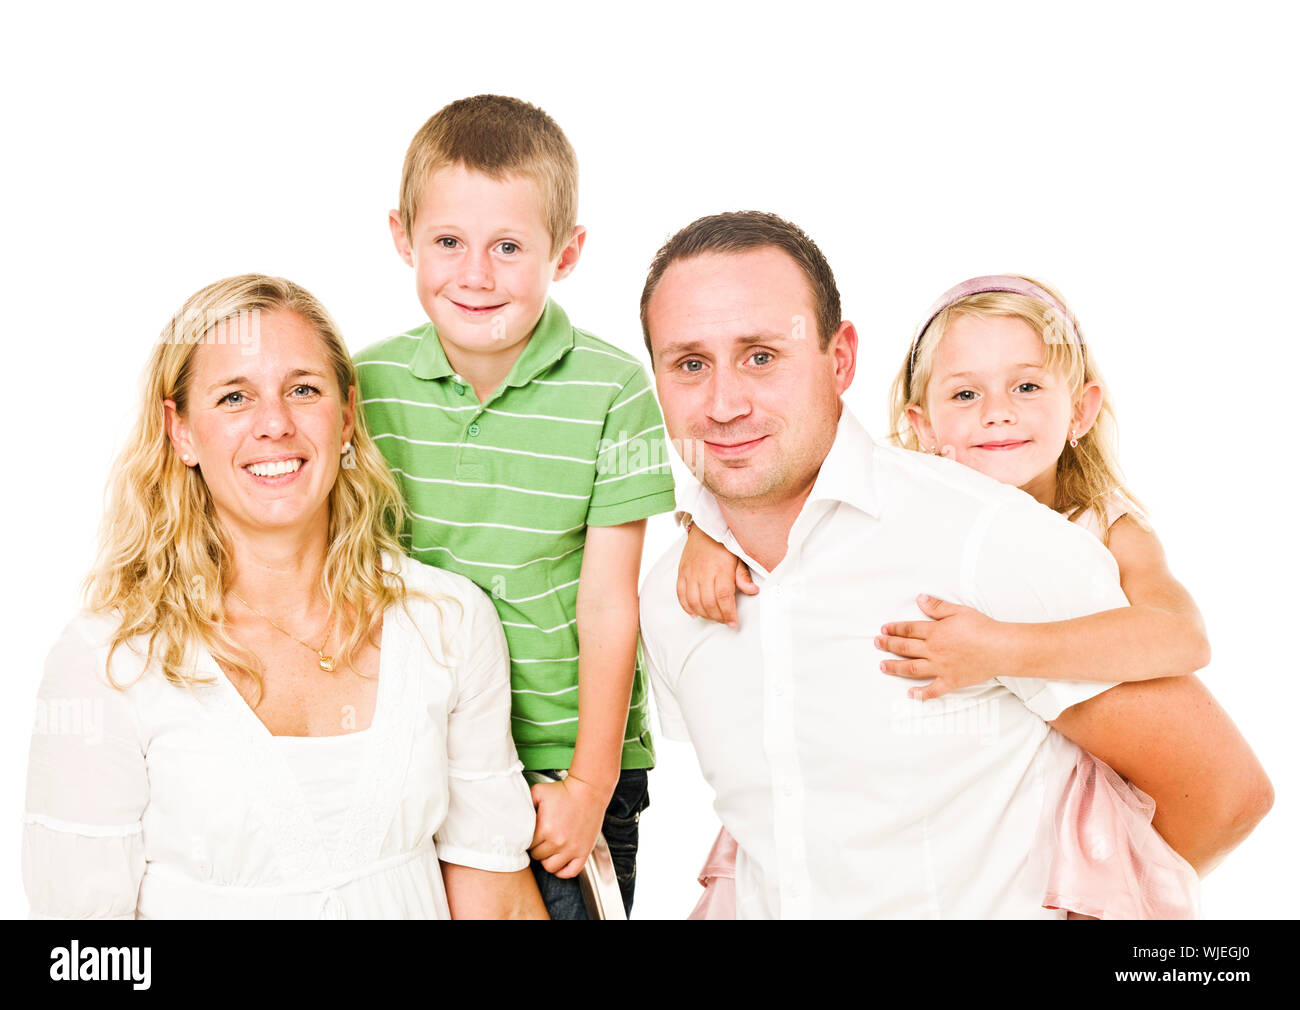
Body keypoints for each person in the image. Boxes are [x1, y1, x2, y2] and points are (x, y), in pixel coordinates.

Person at [637, 210, 1273, 918]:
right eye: (691, 364)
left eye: (762, 355)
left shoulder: (1002, 539)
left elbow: (1223, 794)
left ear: (840, 359)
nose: (725, 402)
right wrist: (700, 526)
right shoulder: (670, 596)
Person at [23, 274, 546, 919]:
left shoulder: (448, 620)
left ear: (348, 414)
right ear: (180, 431)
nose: (274, 424)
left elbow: (495, 896)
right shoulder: (109, 658)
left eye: (303, 389)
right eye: (234, 397)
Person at [355, 95, 676, 918]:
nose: (475, 275)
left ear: (564, 253)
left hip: (562, 762)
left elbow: (610, 602)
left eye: (508, 247)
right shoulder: (367, 387)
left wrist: (590, 781)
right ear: (403, 239)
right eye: (448, 243)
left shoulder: (611, 390)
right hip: (422, 752)